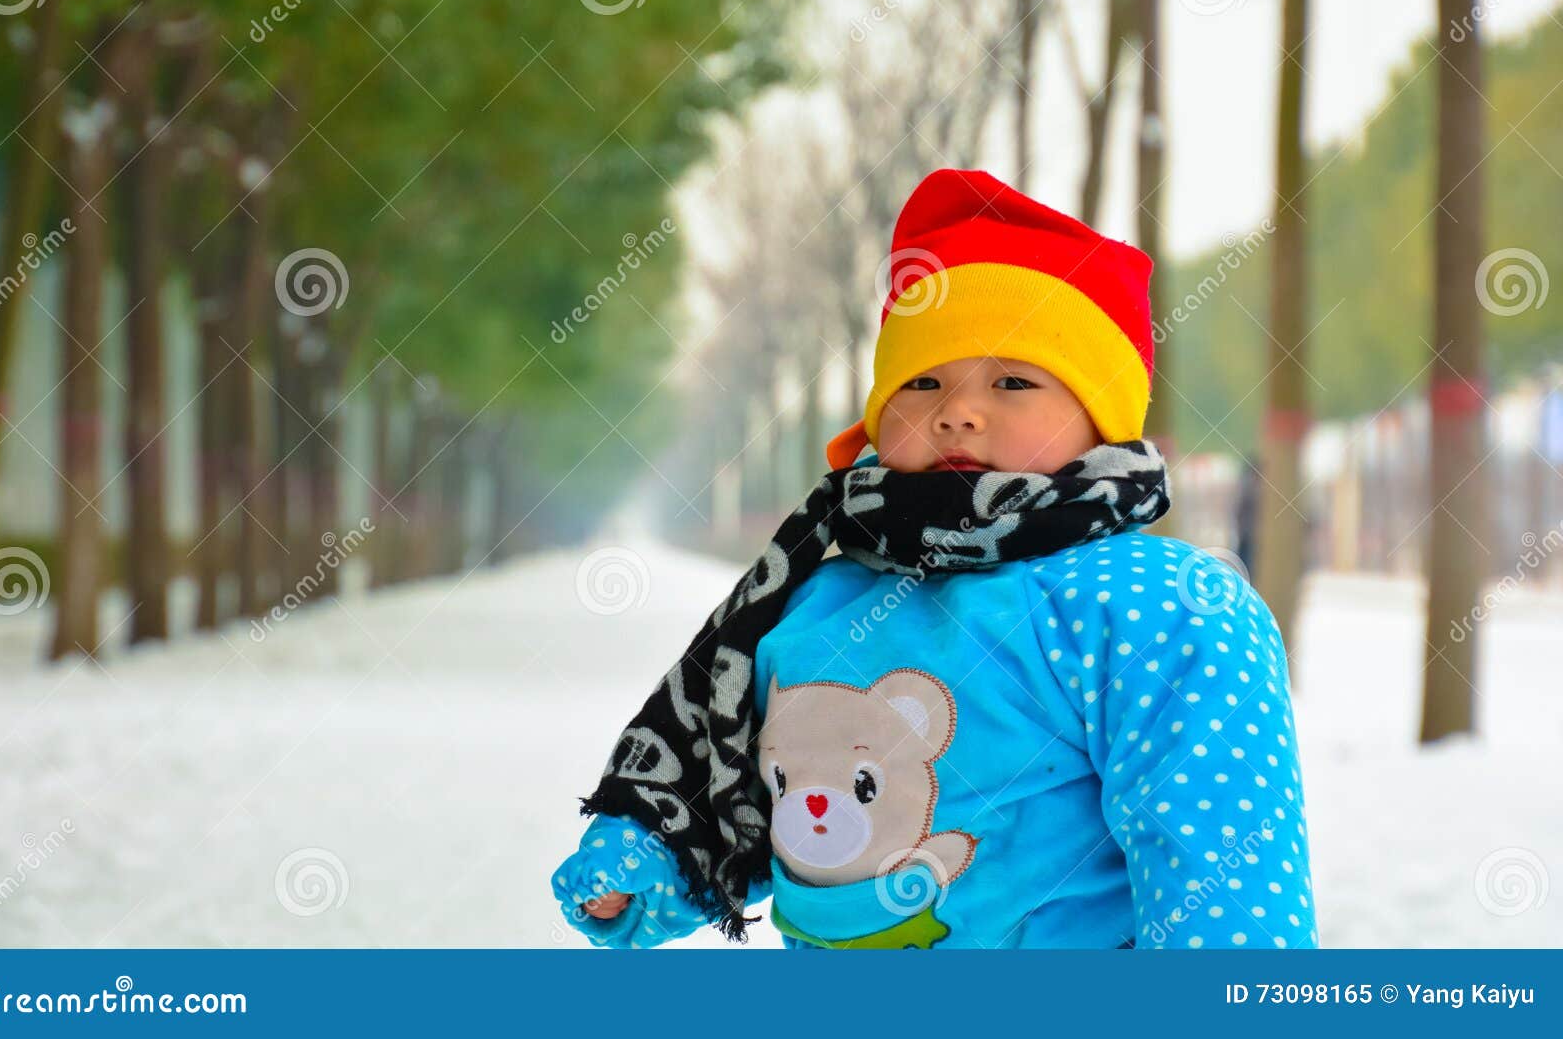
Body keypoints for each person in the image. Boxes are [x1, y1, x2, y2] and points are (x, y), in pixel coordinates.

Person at [550, 169, 1319, 949]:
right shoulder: (819, 599)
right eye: (921, 381)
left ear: (1100, 425)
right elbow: (746, 789)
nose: (957, 410)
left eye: (1014, 379)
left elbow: (1219, 865)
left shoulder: (1152, 606)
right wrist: (646, 857)